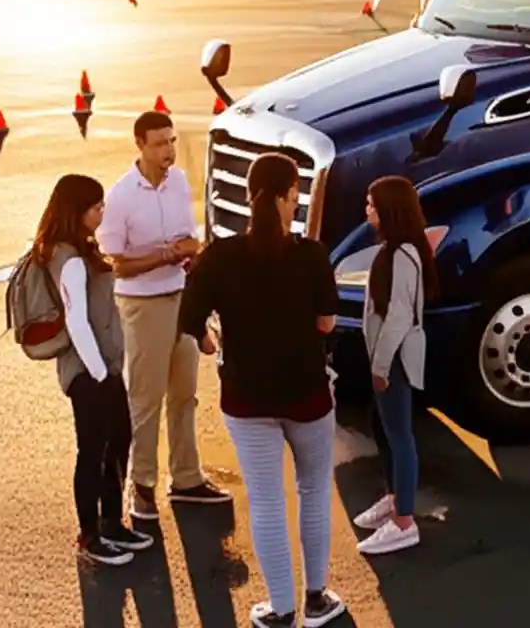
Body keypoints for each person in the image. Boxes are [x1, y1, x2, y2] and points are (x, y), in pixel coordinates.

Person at [178, 152, 346, 628]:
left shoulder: (221, 256)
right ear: (288, 195)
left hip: (246, 398)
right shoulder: (311, 255)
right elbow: (326, 322)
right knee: (312, 490)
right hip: (308, 394)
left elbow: (191, 318)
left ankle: (281, 608)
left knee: (267, 499)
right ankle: (316, 599)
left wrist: (216, 345)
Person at [96, 111, 231, 521]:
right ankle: (141, 486)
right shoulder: (121, 196)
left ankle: (187, 479)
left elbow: (190, 239)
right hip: (143, 308)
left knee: (185, 395)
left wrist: (189, 263)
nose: (169, 150)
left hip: (181, 299)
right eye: (159, 143)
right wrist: (167, 254)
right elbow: (114, 262)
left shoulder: (178, 183)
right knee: (145, 400)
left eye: (172, 141)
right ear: (140, 144)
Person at [33, 174, 153, 566]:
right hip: (89, 372)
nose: (102, 211)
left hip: (104, 367)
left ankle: (111, 523)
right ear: (76, 211)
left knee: (118, 440)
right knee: (93, 450)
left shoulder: (81, 248)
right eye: (95, 206)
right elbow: (77, 321)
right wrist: (100, 374)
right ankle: (91, 536)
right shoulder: (67, 259)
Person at [351, 175, 438, 555]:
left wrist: (381, 367)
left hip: (395, 360)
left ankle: (404, 521)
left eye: (372, 204)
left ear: (389, 209)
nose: (367, 210)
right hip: (387, 359)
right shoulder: (394, 249)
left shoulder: (402, 255)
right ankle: (393, 497)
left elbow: (399, 318)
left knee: (399, 436)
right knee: (384, 429)